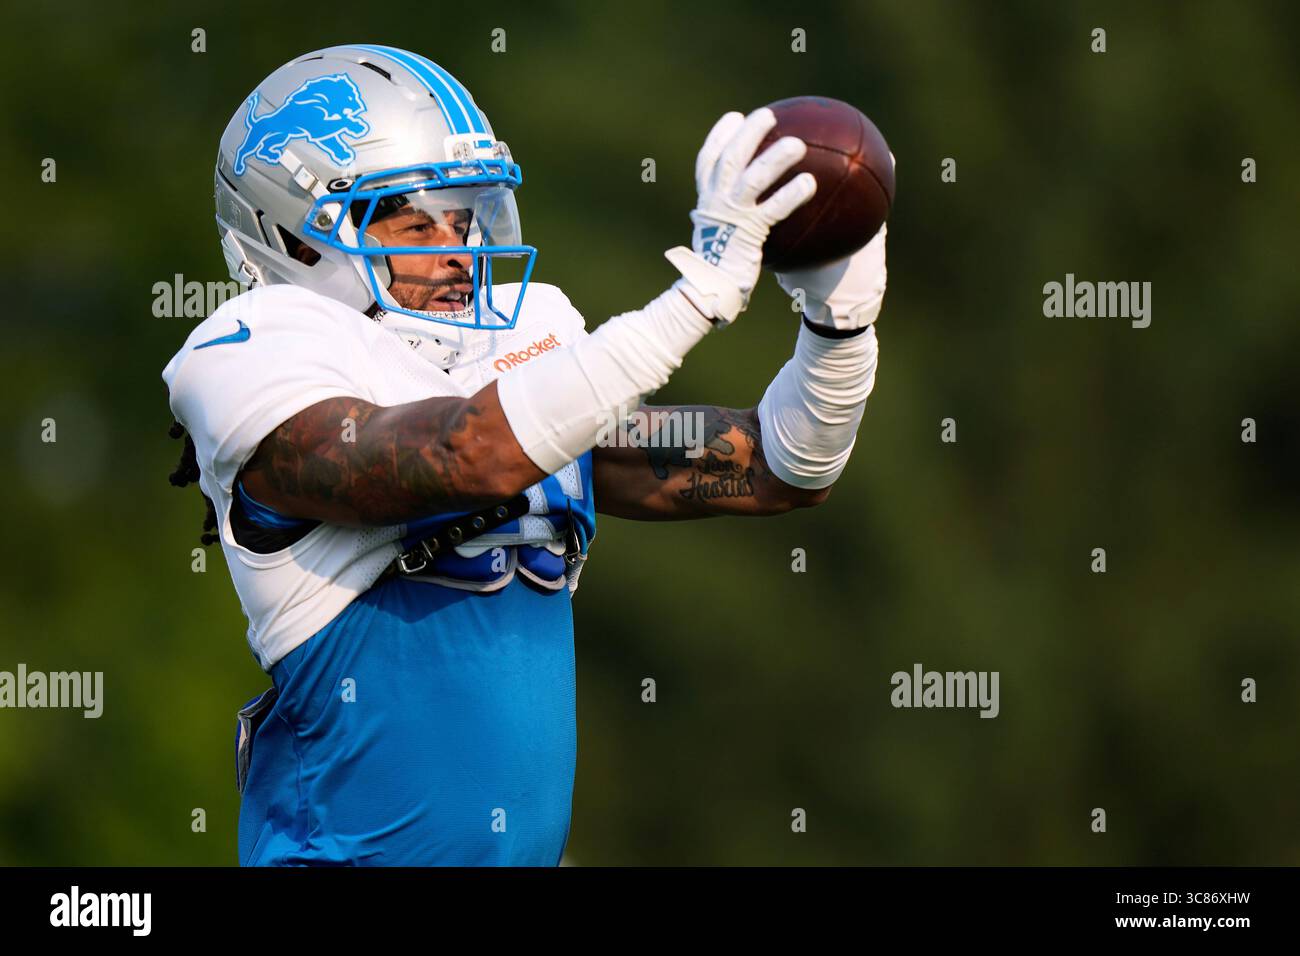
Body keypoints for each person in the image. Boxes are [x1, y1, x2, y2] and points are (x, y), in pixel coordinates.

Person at [162, 44, 888, 865]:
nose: (455, 248)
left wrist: (839, 329)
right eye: (412, 219)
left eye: (464, 215)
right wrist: (693, 300)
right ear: (295, 242)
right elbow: (461, 456)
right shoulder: (253, 352)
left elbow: (774, 467)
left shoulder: (522, 350)